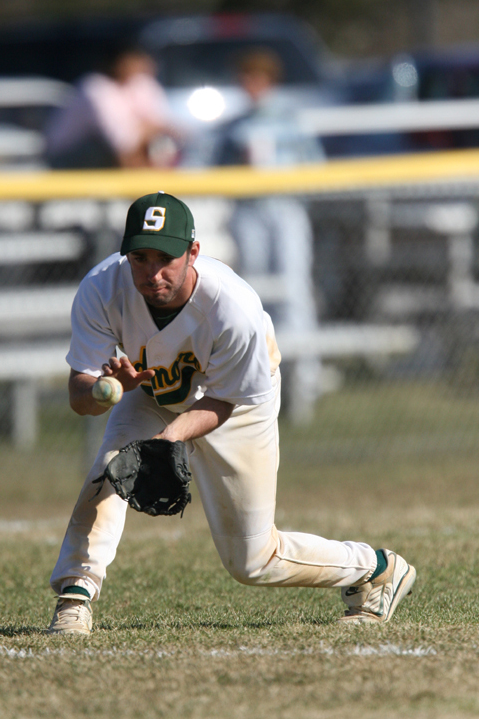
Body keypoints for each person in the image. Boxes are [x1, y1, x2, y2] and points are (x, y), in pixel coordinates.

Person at [47, 191, 416, 636]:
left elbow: (223, 400)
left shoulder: (232, 308)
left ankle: (377, 569)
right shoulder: (102, 288)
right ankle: (75, 597)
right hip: (148, 392)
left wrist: (169, 440)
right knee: (111, 469)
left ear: (193, 252)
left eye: (165, 257)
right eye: (139, 257)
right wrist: (109, 394)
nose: (152, 271)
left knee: (254, 561)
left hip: (237, 402)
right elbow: (78, 394)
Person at [207, 48, 325, 425]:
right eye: (246, 78)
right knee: (253, 295)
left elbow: (315, 164)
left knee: (293, 291)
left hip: (285, 209)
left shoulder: (290, 119)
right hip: (249, 212)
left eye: (258, 78)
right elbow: (215, 166)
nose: (251, 86)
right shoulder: (234, 126)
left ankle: (304, 381)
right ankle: (261, 383)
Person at [44, 47, 179, 169]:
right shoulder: (94, 87)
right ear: (119, 63)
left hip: (113, 151)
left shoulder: (140, 83)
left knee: (161, 146)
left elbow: (171, 128)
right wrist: (149, 129)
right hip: (66, 157)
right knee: (108, 150)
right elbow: (123, 142)